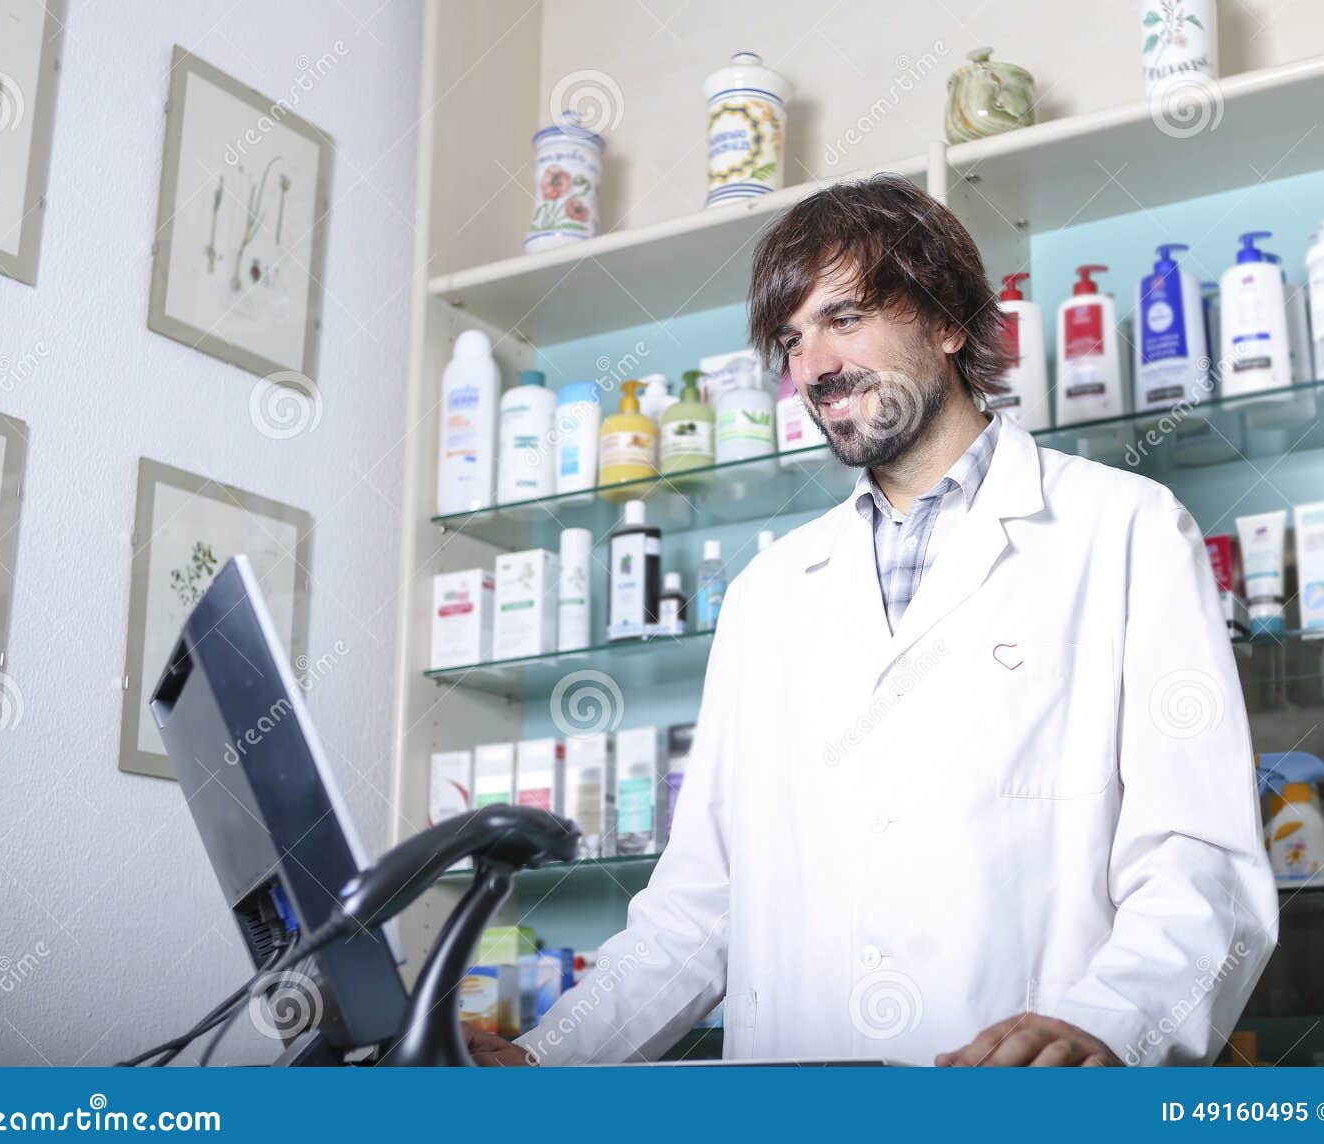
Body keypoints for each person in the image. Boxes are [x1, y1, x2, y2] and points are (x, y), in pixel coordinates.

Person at [465, 174, 1277, 1068]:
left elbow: (1201, 863)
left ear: (946, 321)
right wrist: (541, 1060)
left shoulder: (1125, 531)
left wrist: (1114, 1025)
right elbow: (698, 907)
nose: (813, 367)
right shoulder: (769, 591)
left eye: (844, 317)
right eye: (793, 338)